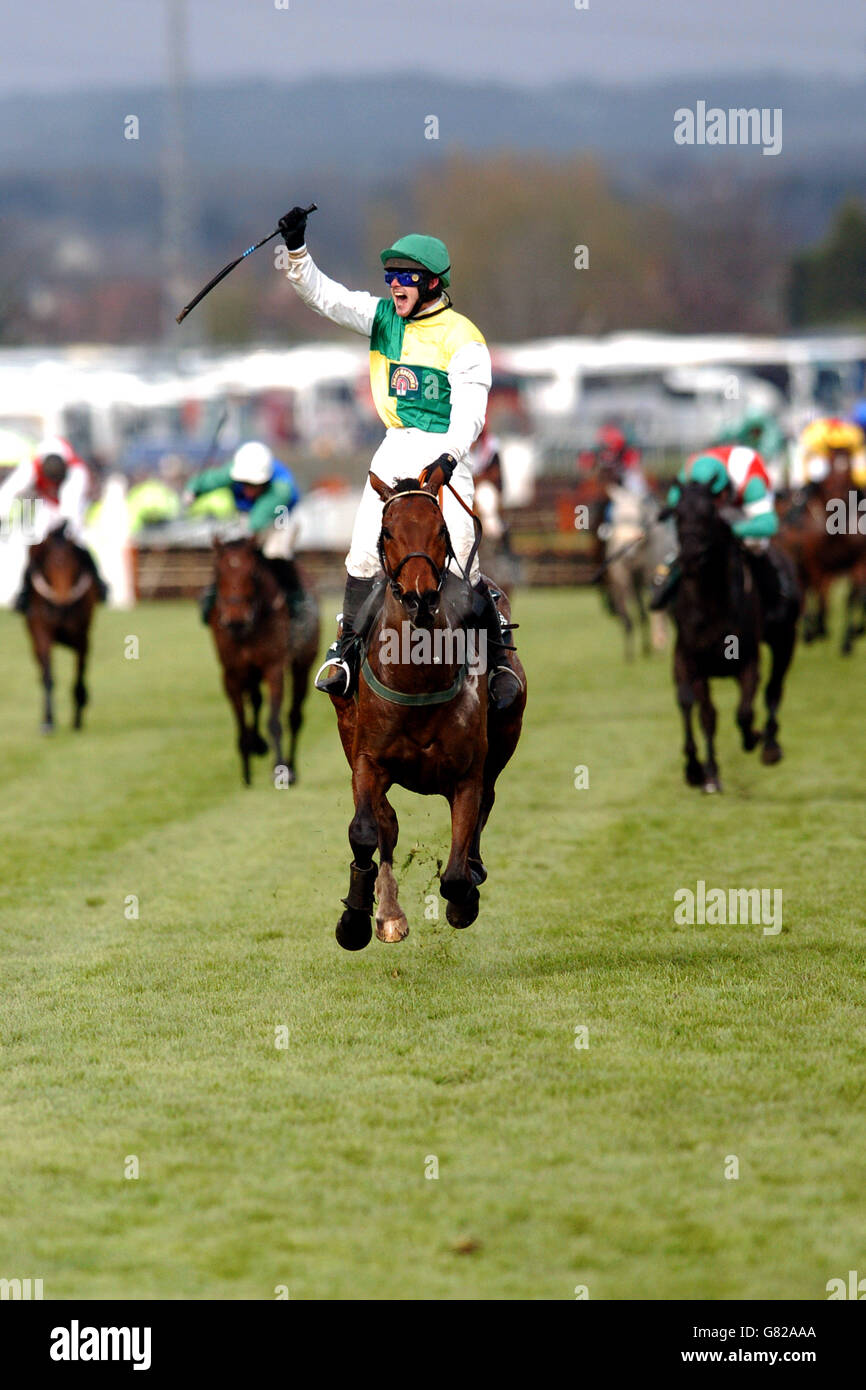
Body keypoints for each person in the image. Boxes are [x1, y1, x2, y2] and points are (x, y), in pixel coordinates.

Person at [278, 204, 521, 709]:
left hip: (443, 452)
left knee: (464, 563)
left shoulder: (464, 338)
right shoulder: (383, 317)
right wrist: (297, 250)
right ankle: (344, 654)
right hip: (393, 449)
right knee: (363, 555)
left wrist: (450, 459)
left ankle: (497, 660)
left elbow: (471, 413)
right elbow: (324, 296)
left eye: (405, 276)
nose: (394, 285)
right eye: (390, 276)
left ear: (433, 282)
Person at [650, 444, 794, 623]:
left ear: (723, 491)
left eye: (714, 499)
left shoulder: (750, 480)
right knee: (685, 542)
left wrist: (732, 530)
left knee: (755, 544)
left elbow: (769, 525)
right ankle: (666, 585)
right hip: (706, 515)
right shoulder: (689, 472)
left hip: (741, 510)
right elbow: (675, 502)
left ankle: (775, 594)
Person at [186, 440, 303, 622]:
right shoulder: (235, 469)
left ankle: (295, 597)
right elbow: (211, 479)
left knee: (275, 552)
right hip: (247, 515)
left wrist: (246, 535)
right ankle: (212, 597)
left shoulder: (281, 487)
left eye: (253, 486)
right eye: (244, 484)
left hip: (280, 518)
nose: (247, 491)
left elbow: (260, 515)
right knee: (230, 557)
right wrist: (193, 489)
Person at [0, 436, 107, 611]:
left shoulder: (77, 472)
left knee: (79, 542)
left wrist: (65, 523)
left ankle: (99, 584)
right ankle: (24, 592)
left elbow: (71, 503)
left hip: (73, 509)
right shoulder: (31, 466)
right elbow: (9, 491)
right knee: (34, 544)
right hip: (47, 505)